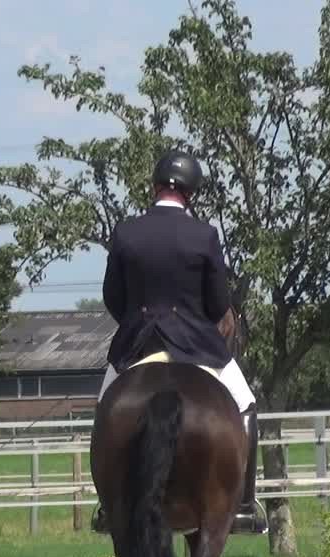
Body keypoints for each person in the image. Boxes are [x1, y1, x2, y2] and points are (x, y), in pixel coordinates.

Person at [91, 148, 265, 533]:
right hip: (196, 346)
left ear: (155, 187)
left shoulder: (126, 232)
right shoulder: (204, 235)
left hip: (137, 345)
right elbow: (219, 302)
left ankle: (107, 506)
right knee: (247, 404)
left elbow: (112, 296)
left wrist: (136, 322)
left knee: (106, 406)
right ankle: (245, 504)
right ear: (192, 192)